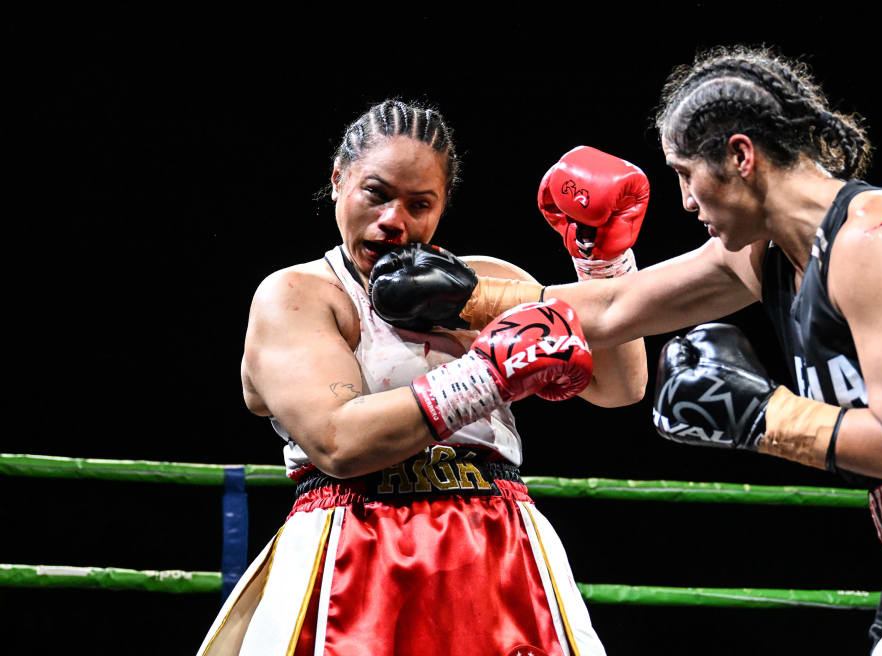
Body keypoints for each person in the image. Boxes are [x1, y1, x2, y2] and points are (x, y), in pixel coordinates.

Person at [376, 48, 882, 653]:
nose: (684, 200)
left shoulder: (879, 245)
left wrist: (763, 417)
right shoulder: (767, 255)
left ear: (739, 156)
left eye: (684, 173)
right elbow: (614, 308)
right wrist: (466, 298)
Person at [195, 99, 648, 656]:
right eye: (377, 194)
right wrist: (492, 373)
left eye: (419, 204)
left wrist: (604, 258)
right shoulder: (299, 295)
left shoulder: (487, 282)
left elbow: (621, 386)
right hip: (355, 543)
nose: (395, 221)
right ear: (338, 179)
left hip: (497, 544)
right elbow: (339, 441)